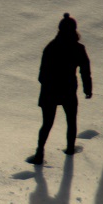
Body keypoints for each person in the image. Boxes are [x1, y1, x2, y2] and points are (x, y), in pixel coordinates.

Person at [27, 13, 92, 165]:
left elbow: (41, 76)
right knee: (71, 121)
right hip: (68, 90)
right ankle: (70, 150)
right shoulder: (78, 49)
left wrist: (50, 84)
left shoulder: (50, 47)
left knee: (47, 123)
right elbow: (85, 71)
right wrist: (87, 88)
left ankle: (39, 152)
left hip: (49, 92)